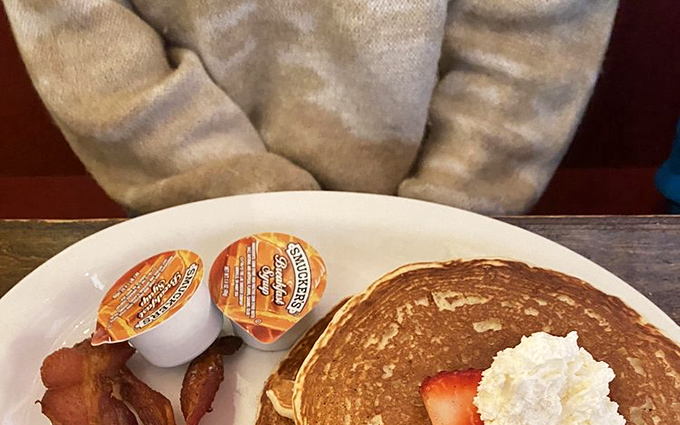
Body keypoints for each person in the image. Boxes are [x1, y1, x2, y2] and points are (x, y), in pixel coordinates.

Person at [5, 0, 619, 216]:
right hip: (185, 196)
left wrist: (442, 218)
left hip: (442, 214)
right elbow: (82, 34)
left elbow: (534, 39)